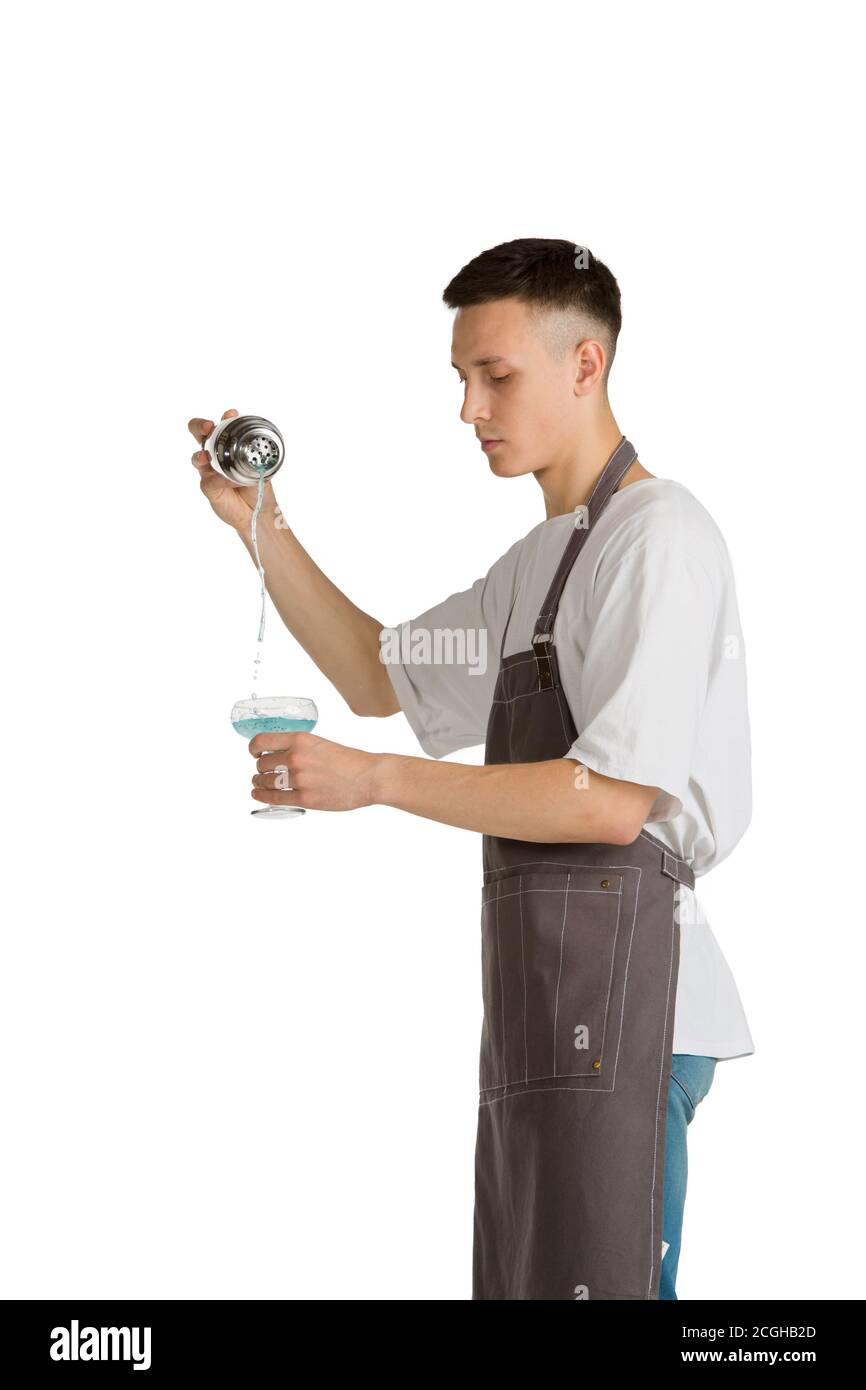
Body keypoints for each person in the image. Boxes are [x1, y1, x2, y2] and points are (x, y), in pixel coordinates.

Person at [188, 237, 754, 1300]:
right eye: (460, 377)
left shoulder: (656, 538)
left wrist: (378, 782)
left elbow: (613, 798)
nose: (468, 408)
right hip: (542, 1004)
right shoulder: (532, 573)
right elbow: (373, 671)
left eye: (495, 375)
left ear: (584, 364)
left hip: (631, 1002)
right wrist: (257, 522)